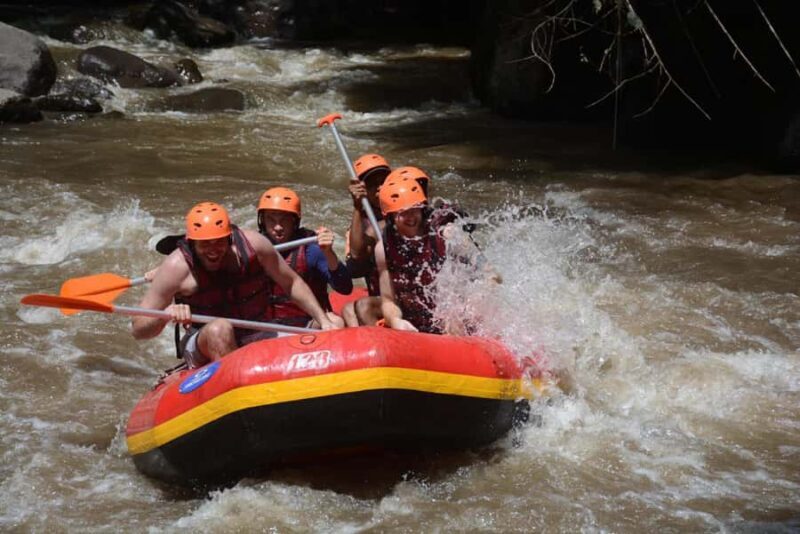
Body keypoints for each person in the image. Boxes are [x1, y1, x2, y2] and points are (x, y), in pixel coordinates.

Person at [132, 201, 336, 368]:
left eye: (219, 241)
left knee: (334, 322)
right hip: (204, 341)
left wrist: (323, 320)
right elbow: (138, 329)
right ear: (192, 243)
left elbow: (291, 283)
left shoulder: (254, 245)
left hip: (257, 330)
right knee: (220, 329)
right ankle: (236, 390)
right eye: (205, 244)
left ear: (229, 238)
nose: (213, 250)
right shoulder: (177, 267)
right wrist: (166, 314)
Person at [374, 170, 500, 334]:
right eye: (403, 213)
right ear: (390, 216)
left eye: (415, 209)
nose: (411, 217)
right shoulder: (383, 249)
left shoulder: (447, 234)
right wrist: (395, 320)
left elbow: (491, 274)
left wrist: (472, 304)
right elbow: (388, 300)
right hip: (416, 320)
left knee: (453, 315)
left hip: (456, 317)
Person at [257, 187, 351, 328]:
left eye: (284, 219)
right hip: (267, 325)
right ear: (262, 221)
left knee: (336, 321)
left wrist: (329, 253)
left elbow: (345, 288)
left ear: (295, 221)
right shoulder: (254, 248)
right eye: (271, 219)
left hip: (307, 323)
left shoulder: (311, 249)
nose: (278, 227)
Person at [341, 154, 392, 327]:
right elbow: (355, 266)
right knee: (348, 311)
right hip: (381, 296)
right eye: (372, 184)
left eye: (383, 181)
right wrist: (357, 207)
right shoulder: (360, 224)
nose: (379, 188)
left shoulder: (403, 213)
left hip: (403, 294)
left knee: (363, 307)